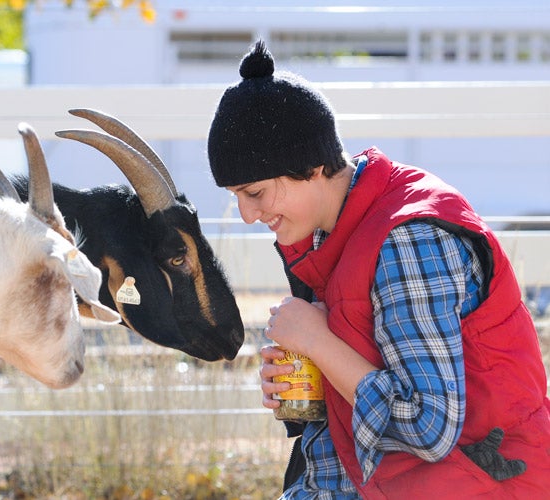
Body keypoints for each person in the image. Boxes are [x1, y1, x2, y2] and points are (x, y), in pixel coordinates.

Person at [207, 39, 550, 498]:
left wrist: (317, 342)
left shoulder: (407, 240)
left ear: (310, 168)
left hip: (481, 483)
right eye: (236, 197)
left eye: (255, 193)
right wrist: (306, 390)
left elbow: (429, 425)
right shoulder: (331, 235)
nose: (248, 215)